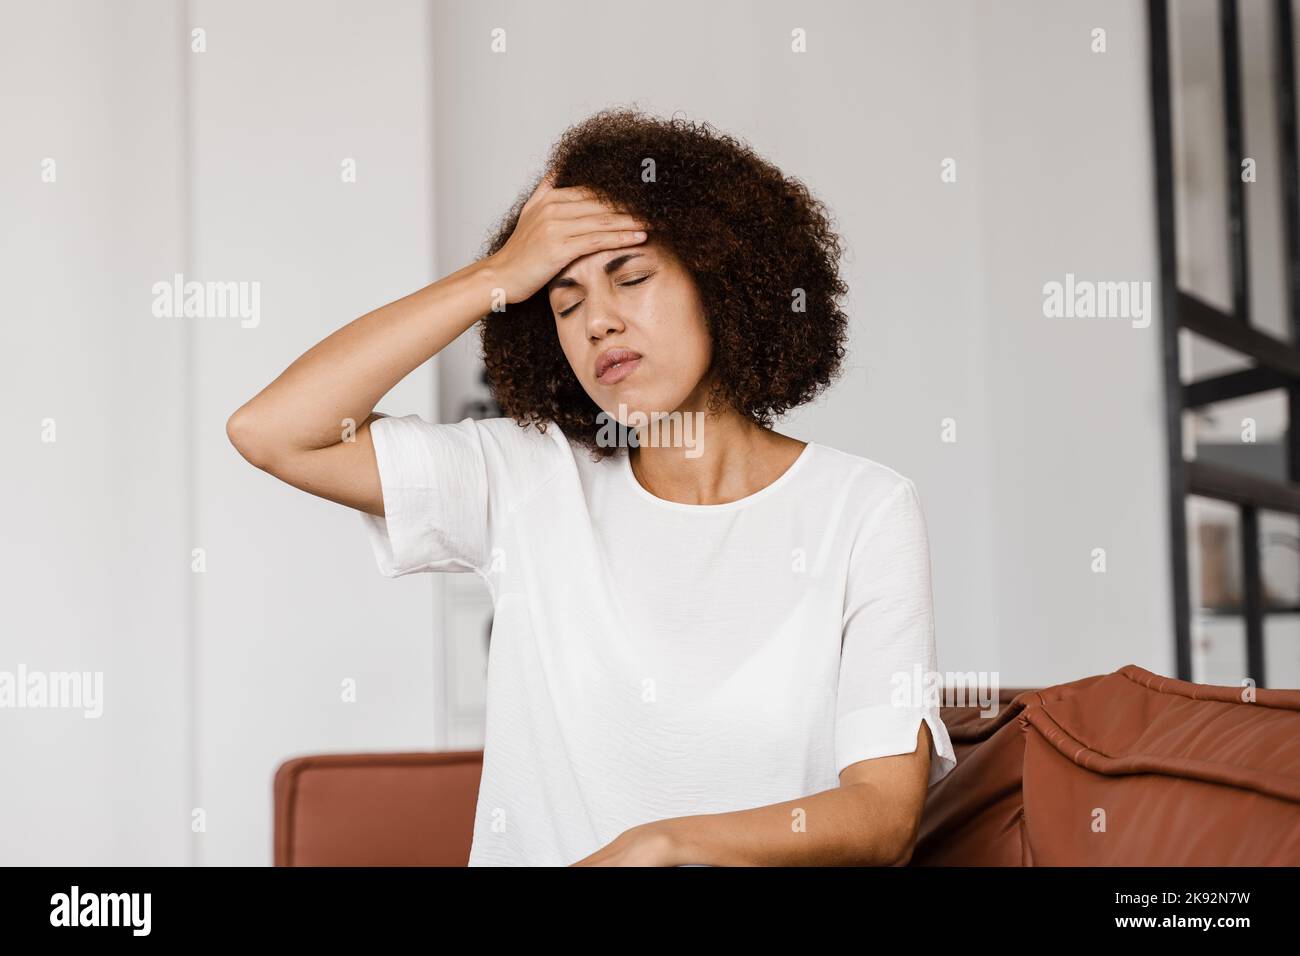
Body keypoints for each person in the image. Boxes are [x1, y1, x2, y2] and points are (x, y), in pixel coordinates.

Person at [227, 107, 957, 866]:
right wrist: (496, 276)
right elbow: (274, 430)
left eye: (631, 278)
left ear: (723, 284)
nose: (598, 323)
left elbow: (882, 815)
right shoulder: (528, 479)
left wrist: (663, 845)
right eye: (565, 303)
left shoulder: (864, 509)